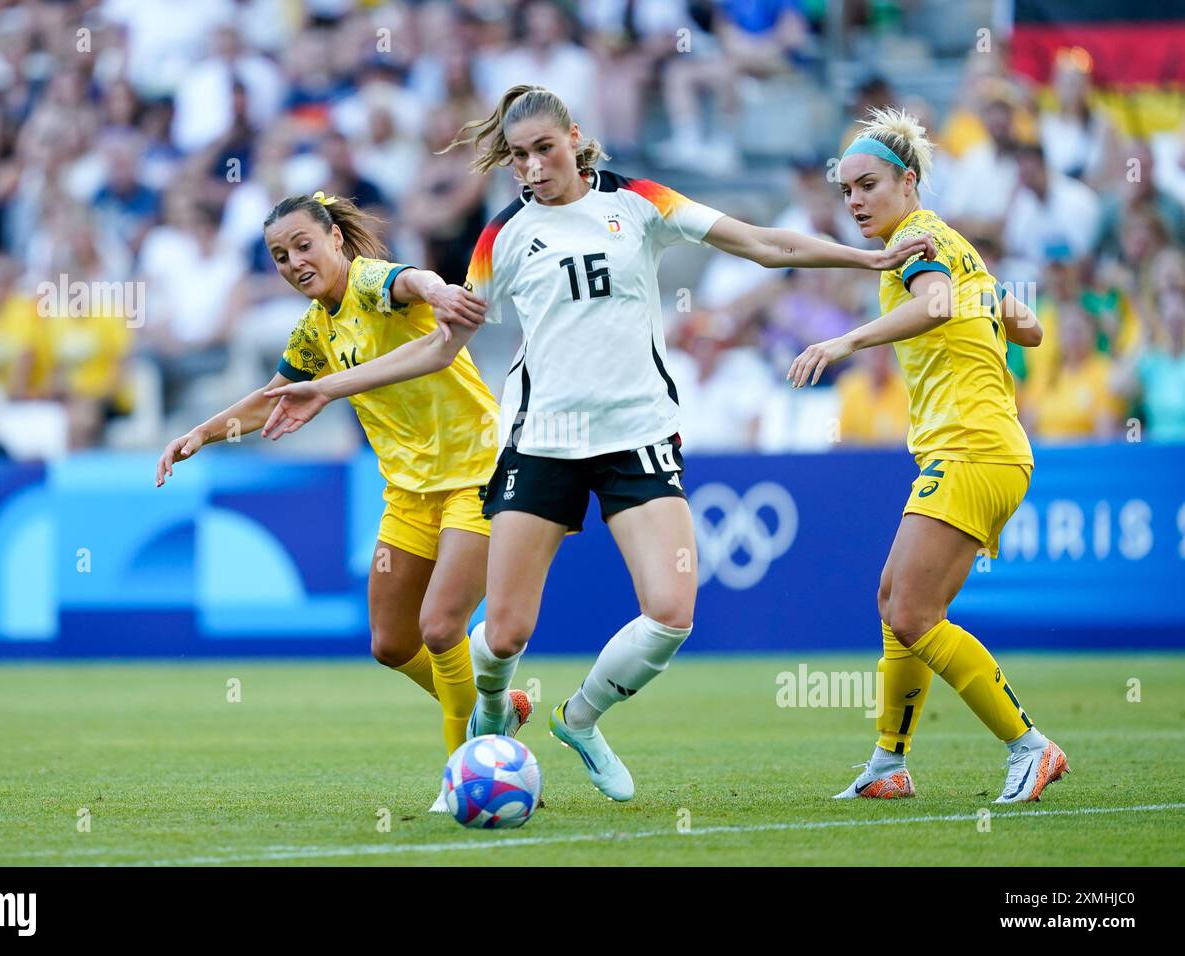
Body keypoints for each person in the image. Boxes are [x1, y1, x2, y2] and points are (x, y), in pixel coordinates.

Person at [268, 85, 936, 803]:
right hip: (542, 441)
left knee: (673, 613)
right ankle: (492, 721)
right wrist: (328, 388)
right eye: (518, 157)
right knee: (502, 636)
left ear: (575, 139)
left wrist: (864, 262)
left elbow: (765, 244)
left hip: (637, 435)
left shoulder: (639, 201)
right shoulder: (504, 237)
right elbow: (439, 349)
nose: (531, 167)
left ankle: (580, 718)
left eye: (543, 150)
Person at [154, 190, 530, 812]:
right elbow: (272, 397)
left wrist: (436, 291)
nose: (295, 261)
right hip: (409, 492)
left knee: (440, 628)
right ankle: (498, 709)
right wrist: (203, 432)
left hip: (478, 472)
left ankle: (467, 773)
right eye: (279, 256)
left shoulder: (369, 281)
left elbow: (410, 280)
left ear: (334, 238)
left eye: (304, 244)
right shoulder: (314, 331)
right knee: (390, 642)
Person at [787, 108, 1069, 803]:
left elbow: (938, 304)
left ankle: (1030, 747)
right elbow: (1022, 323)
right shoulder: (952, 240)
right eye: (847, 188)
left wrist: (844, 342)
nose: (855, 200)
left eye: (869, 185)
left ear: (908, 182)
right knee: (896, 604)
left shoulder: (918, 241)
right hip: (983, 451)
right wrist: (1017, 320)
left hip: (972, 451)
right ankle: (889, 764)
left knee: (912, 613)